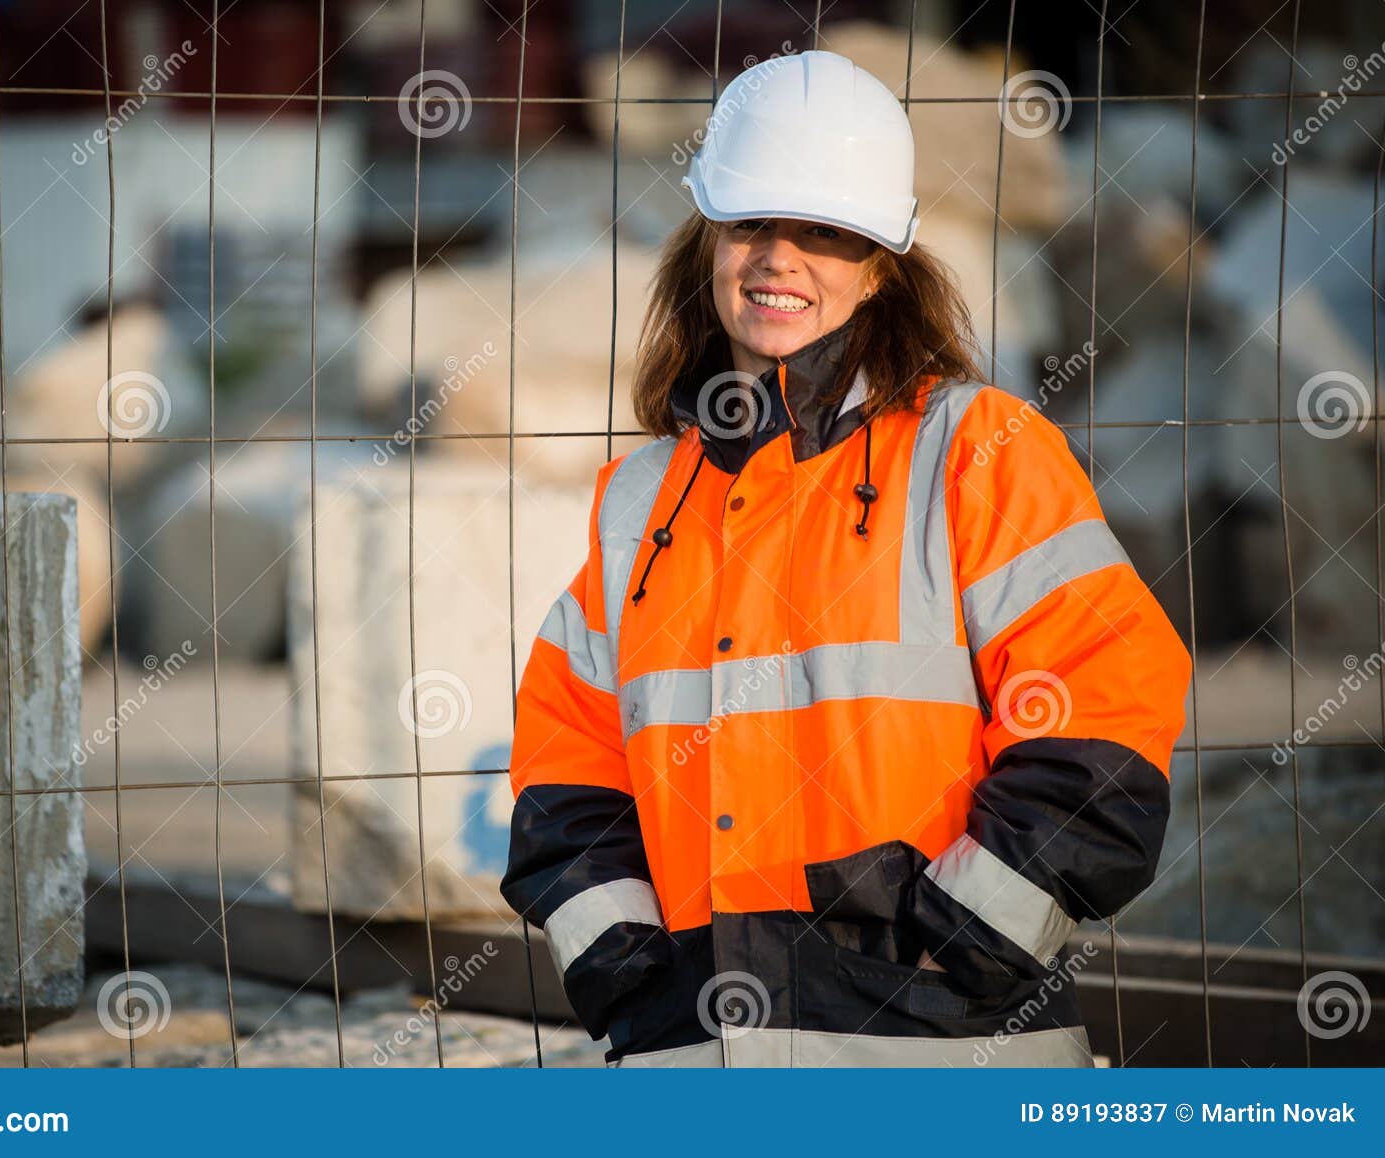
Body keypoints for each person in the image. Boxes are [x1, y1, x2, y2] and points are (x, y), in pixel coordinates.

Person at [500, 49, 1192, 1068]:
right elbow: (567, 762)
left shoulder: (976, 453)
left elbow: (1106, 703)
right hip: (694, 1065)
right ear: (707, 242)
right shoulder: (640, 500)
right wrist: (624, 968)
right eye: (750, 225)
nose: (779, 259)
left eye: (825, 233)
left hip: (939, 1059)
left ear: (880, 265)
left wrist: (968, 938)